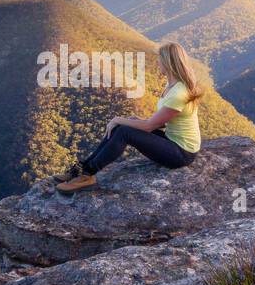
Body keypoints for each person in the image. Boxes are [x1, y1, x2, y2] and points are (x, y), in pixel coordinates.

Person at [55, 42, 203, 194]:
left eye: (160, 58)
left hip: (181, 153)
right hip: (171, 140)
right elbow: (163, 121)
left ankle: (88, 176)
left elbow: (149, 126)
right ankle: (83, 169)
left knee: (124, 131)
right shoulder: (172, 85)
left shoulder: (179, 93)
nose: (157, 62)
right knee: (123, 127)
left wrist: (118, 119)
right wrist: (135, 120)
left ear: (168, 62)